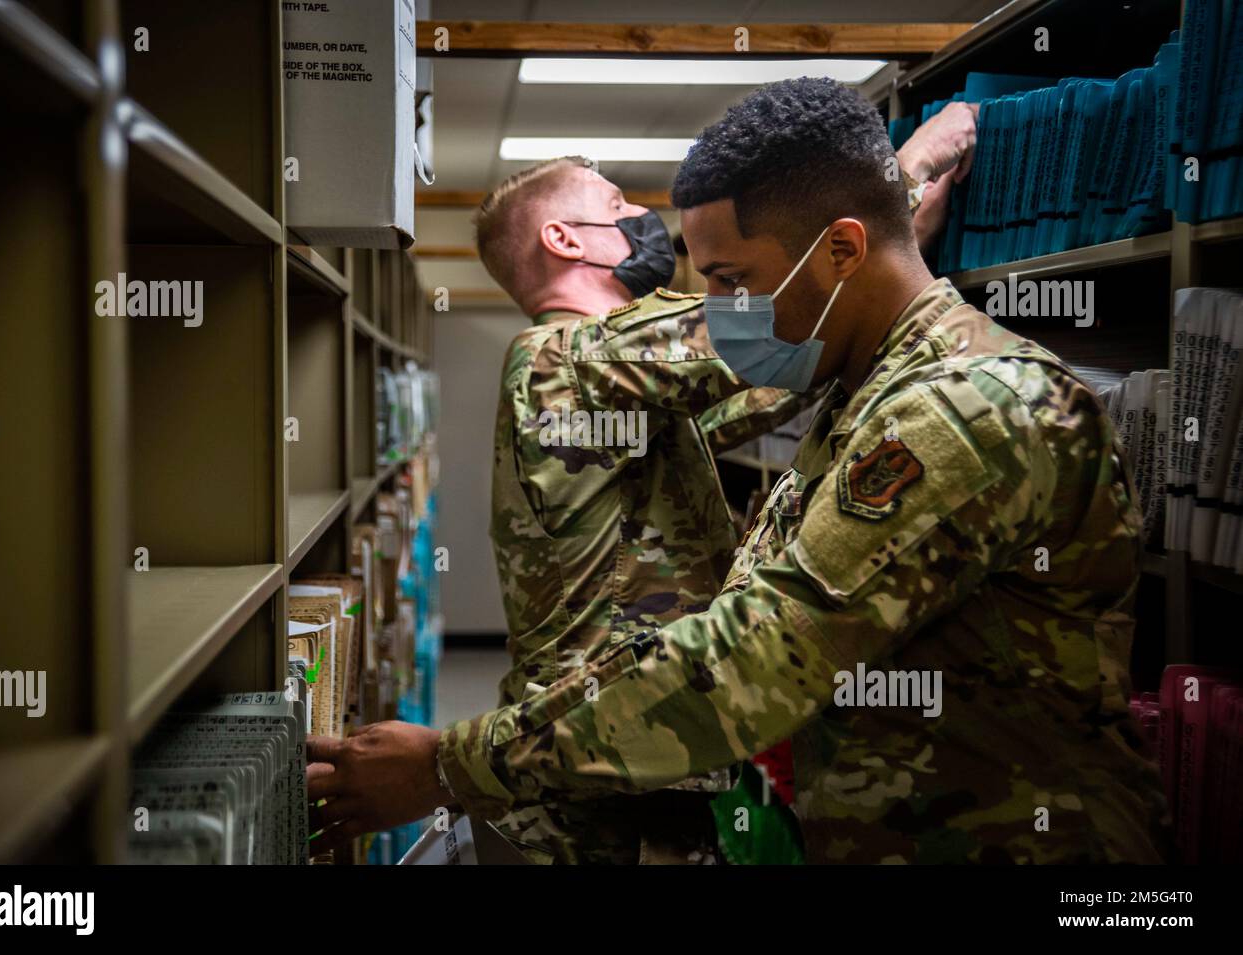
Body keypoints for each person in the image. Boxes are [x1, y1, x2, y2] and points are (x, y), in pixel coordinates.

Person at [309, 77, 1165, 864]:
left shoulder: (959, 407)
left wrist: (449, 763)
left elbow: (756, 652)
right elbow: (744, 378)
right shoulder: (587, 356)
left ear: (839, 252)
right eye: (709, 282)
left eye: (730, 280)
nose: (717, 310)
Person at [452, 157, 820, 863]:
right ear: (565, 239)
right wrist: (898, 182)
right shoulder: (568, 356)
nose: (640, 217)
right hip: (601, 772)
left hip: (614, 751)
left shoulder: (611, 391)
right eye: (615, 202)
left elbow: (775, 382)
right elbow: (773, 326)